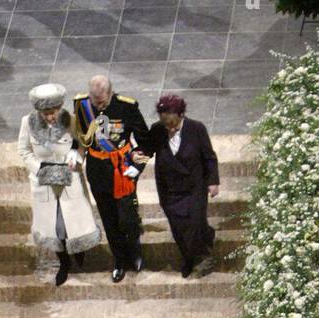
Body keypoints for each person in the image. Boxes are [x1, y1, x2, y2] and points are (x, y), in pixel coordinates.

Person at [17, 83, 102, 287]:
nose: (49, 117)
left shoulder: (70, 120)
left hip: (68, 179)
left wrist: (75, 160)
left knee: (74, 221)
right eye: (45, 113)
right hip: (44, 182)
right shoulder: (27, 123)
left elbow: (80, 145)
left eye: (52, 112)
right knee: (54, 227)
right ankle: (63, 263)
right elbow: (24, 151)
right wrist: (42, 169)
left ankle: (79, 251)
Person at [74, 74, 150, 285]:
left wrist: (137, 166)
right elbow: (80, 136)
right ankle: (119, 260)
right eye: (94, 100)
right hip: (98, 172)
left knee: (127, 217)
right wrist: (76, 154)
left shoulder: (127, 107)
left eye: (102, 102)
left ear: (111, 93)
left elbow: (145, 141)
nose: (97, 106)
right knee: (109, 219)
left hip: (122, 171)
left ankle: (135, 252)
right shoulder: (82, 105)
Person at [142, 93, 219, 278]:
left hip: (194, 187)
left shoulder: (196, 128)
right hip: (169, 190)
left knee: (194, 224)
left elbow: (209, 157)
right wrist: (136, 157)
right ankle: (188, 257)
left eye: (173, 124)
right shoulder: (157, 129)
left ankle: (204, 258)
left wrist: (213, 181)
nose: (170, 128)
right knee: (178, 227)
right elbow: (147, 150)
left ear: (181, 115)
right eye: (166, 124)